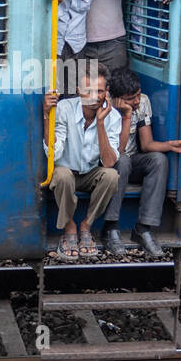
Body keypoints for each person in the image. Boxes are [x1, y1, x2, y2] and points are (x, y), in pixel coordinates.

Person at [102, 67, 181, 257]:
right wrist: (125, 115)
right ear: (115, 97)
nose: (136, 101)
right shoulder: (104, 107)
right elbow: (117, 152)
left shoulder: (142, 102)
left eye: (137, 95)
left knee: (158, 161)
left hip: (130, 160)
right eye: (130, 98)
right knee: (123, 160)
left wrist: (171, 145)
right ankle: (110, 227)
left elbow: (147, 144)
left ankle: (143, 228)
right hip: (107, 165)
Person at [42, 65, 121, 260]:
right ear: (78, 91)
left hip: (89, 175)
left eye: (99, 91)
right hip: (66, 173)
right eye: (88, 90)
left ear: (107, 92)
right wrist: (46, 115)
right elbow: (54, 151)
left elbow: (109, 162)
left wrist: (100, 124)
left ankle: (86, 225)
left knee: (111, 176)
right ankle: (70, 226)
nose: (94, 96)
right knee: (61, 174)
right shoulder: (64, 108)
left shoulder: (113, 117)